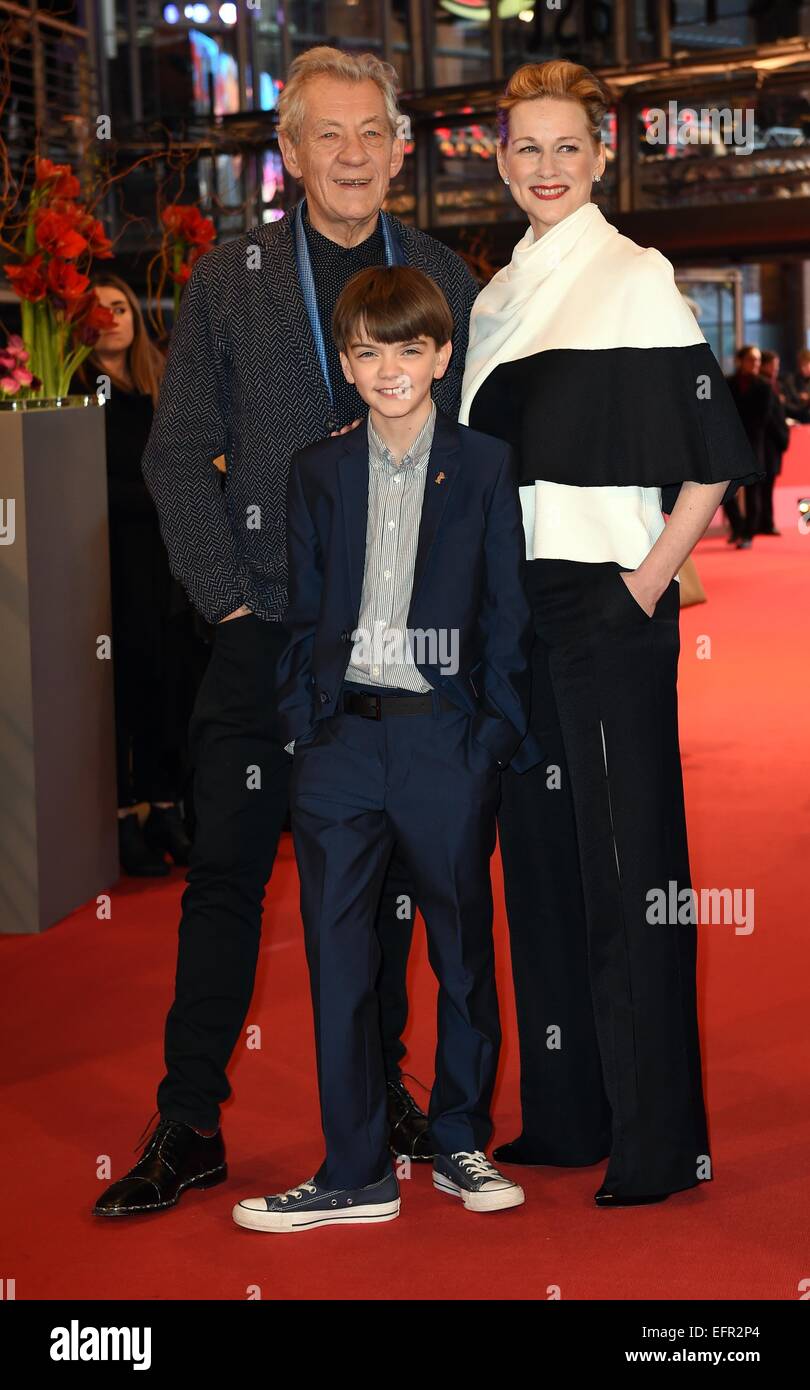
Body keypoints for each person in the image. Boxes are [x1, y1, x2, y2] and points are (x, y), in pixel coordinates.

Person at [93, 48, 481, 1219]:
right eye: (330, 135)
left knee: (397, 880)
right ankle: (191, 1118)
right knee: (227, 877)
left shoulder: (449, 278)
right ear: (292, 152)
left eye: (374, 132)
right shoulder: (235, 276)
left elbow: (476, 460)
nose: (354, 154)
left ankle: (388, 1095)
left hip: (401, 642)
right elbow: (175, 450)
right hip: (267, 632)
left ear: (401, 146)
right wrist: (228, 601)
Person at [458, 59, 760, 1206]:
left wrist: (645, 584)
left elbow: (712, 458)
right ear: (502, 158)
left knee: (631, 867)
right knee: (536, 862)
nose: (545, 166)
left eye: (566, 147)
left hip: (602, 604)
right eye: (525, 148)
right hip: (514, 608)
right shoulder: (492, 301)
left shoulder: (637, 276)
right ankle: (567, 1111)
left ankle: (657, 1138)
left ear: (599, 156)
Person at [232, 265, 540, 1233]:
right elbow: (305, 609)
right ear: (349, 363)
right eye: (369, 349)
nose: (390, 366)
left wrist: (489, 733)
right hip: (340, 749)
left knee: (459, 951)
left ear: (443, 356)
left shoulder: (486, 464)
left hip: (445, 743)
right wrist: (303, 723)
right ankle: (355, 1167)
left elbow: (505, 616)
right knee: (338, 958)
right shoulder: (317, 471)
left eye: (410, 347)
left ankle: (457, 1139)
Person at [72, 274, 197, 877]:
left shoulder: (158, 382)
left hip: (166, 558)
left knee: (168, 681)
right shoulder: (77, 389)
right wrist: (162, 493)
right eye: (99, 311)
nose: (113, 318)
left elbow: (191, 460)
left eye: (121, 307)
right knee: (123, 690)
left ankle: (166, 808)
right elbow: (87, 485)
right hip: (108, 558)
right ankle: (123, 818)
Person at [723, 346, 773, 548]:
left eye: (759, 360)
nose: (756, 364)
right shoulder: (728, 384)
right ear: (740, 361)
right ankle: (737, 526)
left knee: (753, 493)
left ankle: (748, 535)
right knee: (724, 491)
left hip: (753, 445)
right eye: (752, 359)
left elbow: (763, 419)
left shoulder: (764, 386)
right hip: (729, 445)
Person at [757, 350, 791, 536]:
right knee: (764, 485)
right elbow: (768, 417)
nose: (776, 368)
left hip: (774, 443)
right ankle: (764, 522)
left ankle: (765, 521)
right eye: (772, 365)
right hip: (767, 443)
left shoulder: (775, 385)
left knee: (768, 485)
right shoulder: (764, 386)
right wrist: (782, 435)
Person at [783, 348, 810, 423]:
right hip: (797, 416)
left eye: (805, 365)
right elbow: (788, 401)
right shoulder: (790, 380)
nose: (802, 368)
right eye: (801, 365)